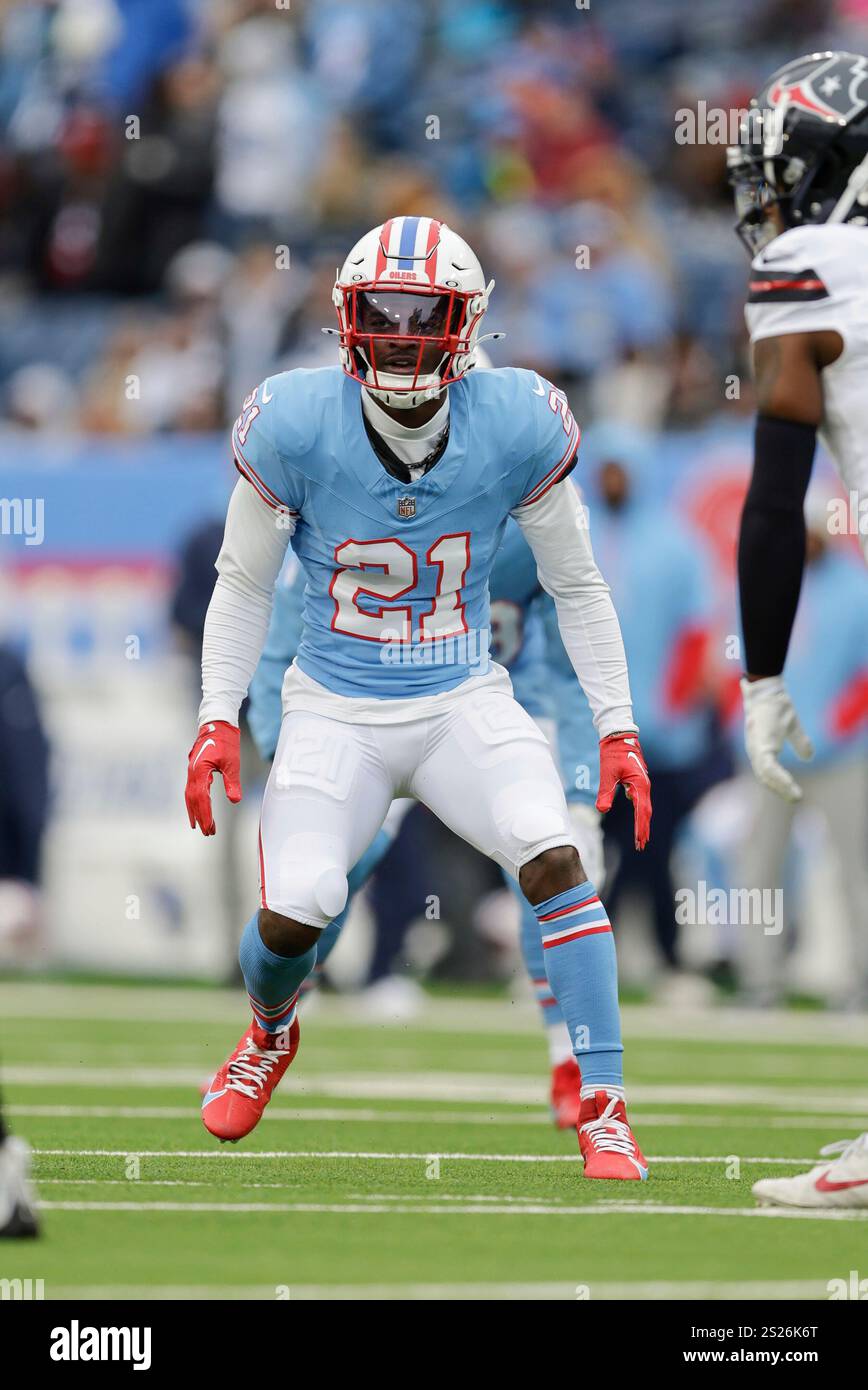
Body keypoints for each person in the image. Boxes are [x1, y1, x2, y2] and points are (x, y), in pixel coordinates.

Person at [185, 217, 652, 1181]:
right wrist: (217, 716)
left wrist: (617, 727)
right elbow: (239, 581)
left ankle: (603, 1103)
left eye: (421, 315)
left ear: (466, 323)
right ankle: (271, 1030)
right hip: (333, 705)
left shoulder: (517, 419)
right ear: (347, 321)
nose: (399, 335)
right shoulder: (295, 418)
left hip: (458, 696)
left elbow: (577, 585)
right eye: (380, 315)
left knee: (554, 851)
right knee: (302, 904)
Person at [728, 52, 868, 1207]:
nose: (767, 204)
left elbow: (776, 494)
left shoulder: (810, 263)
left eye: (780, 175)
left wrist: (760, 672)